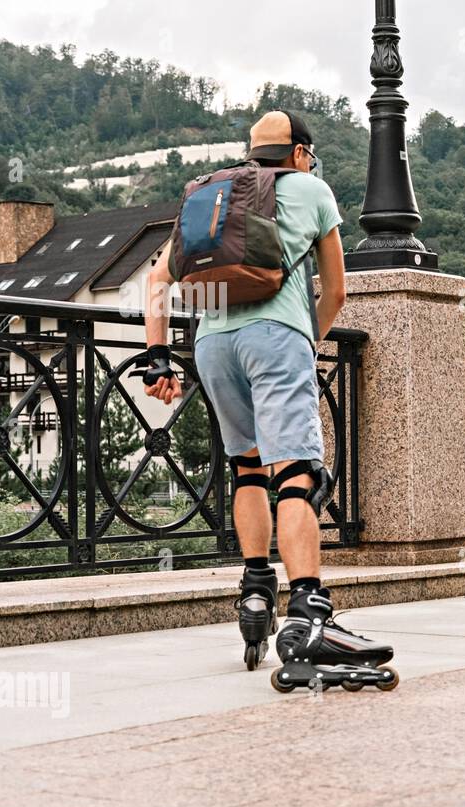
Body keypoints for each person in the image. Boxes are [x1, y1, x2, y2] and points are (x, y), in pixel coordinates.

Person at [141, 110, 396, 691]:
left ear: (252, 153)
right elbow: (336, 289)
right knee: (297, 474)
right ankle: (310, 614)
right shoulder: (312, 189)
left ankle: (256, 592)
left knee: (248, 467)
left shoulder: (214, 193)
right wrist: (306, 339)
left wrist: (158, 357)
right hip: (275, 339)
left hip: (212, 344)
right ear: (300, 153)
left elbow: (159, 279)